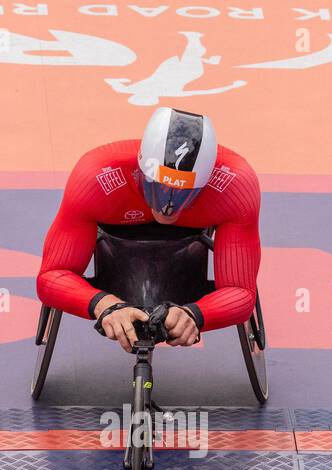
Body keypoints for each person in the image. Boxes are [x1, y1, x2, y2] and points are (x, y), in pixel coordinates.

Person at [36, 107, 261, 352]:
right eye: (160, 187)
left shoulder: (235, 187)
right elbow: (52, 275)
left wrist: (194, 315)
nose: (167, 207)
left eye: (185, 193)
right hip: (121, 228)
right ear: (140, 169)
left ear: (206, 181)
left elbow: (240, 291)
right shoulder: (95, 177)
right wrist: (105, 305)